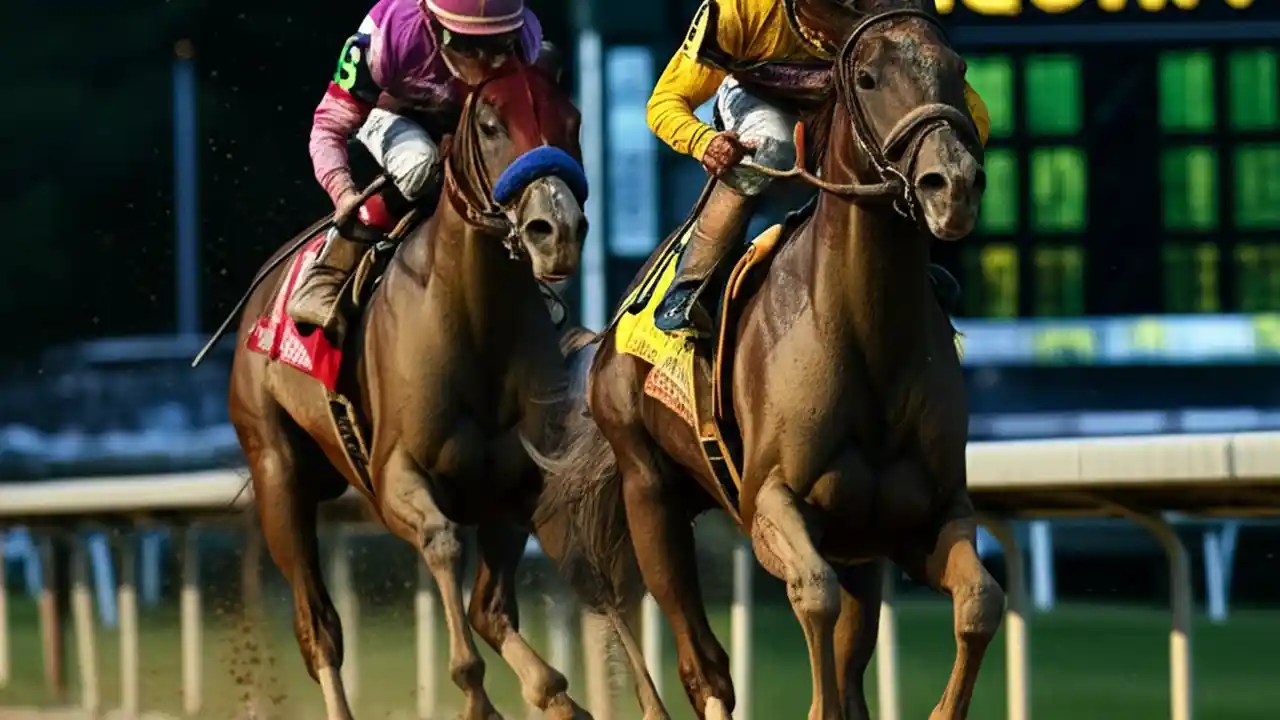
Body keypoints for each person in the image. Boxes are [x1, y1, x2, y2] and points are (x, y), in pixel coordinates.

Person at [647, 0, 991, 334]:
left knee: (894, 140)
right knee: (772, 145)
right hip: (759, 99)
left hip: (842, 104)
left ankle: (913, 270)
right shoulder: (741, 9)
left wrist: (948, 149)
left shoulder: (887, 15)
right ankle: (694, 282)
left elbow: (965, 106)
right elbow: (664, 102)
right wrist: (704, 141)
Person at [289, 0, 543, 340]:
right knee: (419, 162)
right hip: (395, 115)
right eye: (464, 42)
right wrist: (343, 191)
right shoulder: (387, 35)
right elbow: (329, 126)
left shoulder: (526, 42)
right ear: (431, 22)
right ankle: (330, 269)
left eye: (497, 44)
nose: (483, 60)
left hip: (473, 123)